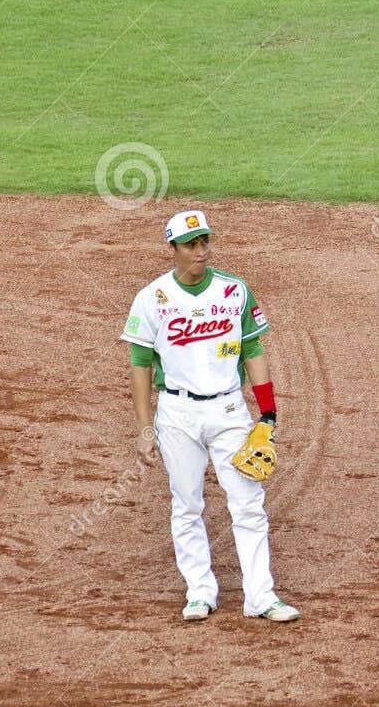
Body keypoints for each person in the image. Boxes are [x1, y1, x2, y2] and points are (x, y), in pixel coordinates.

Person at [121, 209, 300, 623]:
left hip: (228, 410)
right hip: (176, 413)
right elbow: (139, 363)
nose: (200, 251)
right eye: (190, 244)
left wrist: (267, 413)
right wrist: (144, 428)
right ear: (173, 249)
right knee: (186, 504)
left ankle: (261, 597)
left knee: (249, 504)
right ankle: (200, 591)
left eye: (205, 242)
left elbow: (253, 350)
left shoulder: (234, 291)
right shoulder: (152, 298)